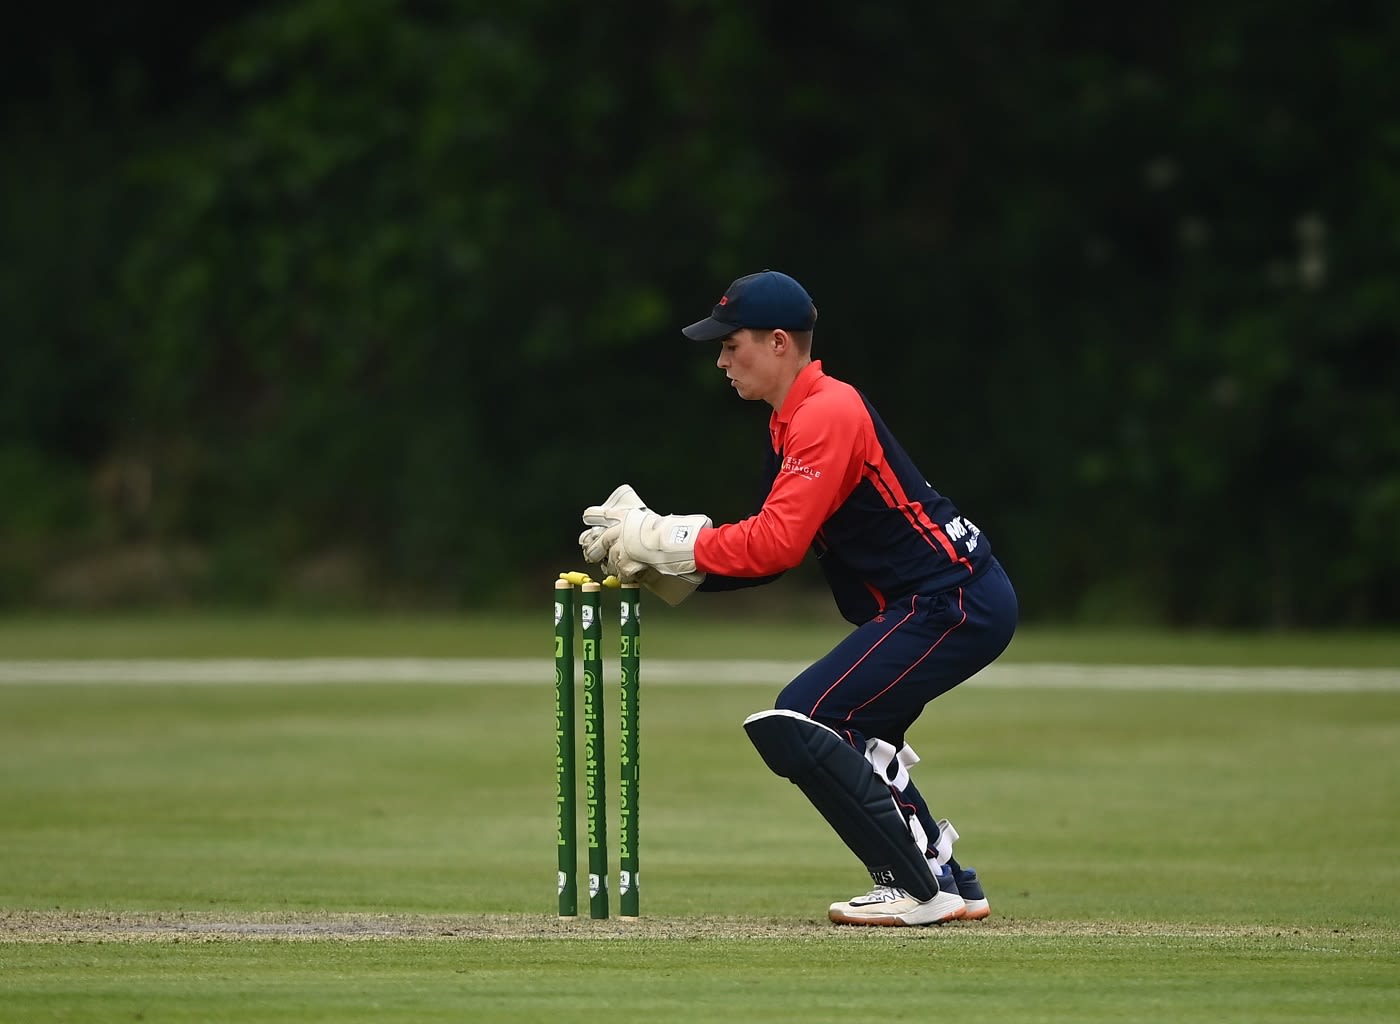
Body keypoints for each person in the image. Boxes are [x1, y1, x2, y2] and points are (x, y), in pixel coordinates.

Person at [578, 270, 1018, 927]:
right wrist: (662, 566)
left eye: (733, 345)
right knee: (853, 725)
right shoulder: (793, 421)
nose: (722, 360)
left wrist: (670, 539)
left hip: (950, 599)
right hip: (942, 601)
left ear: (779, 342)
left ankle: (917, 889)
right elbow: (763, 554)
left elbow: (777, 545)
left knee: (809, 715)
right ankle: (949, 882)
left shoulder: (827, 414)